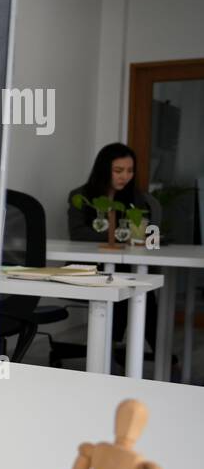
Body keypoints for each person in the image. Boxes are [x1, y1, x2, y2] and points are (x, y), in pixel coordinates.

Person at [66, 142, 158, 363]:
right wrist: (118, 235)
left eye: (129, 171)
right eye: (118, 170)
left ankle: (151, 353)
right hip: (89, 267)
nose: (124, 176)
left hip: (125, 265)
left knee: (141, 288)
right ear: (104, 169)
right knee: (125, 284)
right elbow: (78, 233)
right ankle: (112, 352)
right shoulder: (82, 196)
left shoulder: (136, 199)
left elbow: (147, 232)